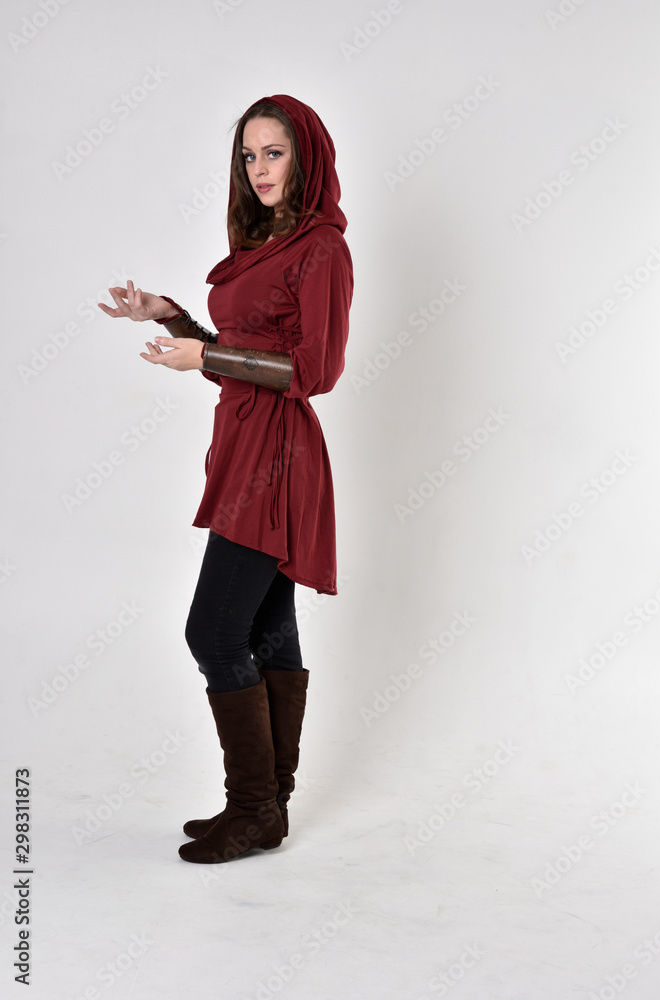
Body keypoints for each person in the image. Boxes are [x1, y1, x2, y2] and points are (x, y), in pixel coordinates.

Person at [98, 94, 353, 865]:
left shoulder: (322, 249)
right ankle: (262, 807)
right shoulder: (265, 242)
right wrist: (170, 317)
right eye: (248, 155)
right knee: (263, 630)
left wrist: (205, 357)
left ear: (305, 157)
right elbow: (240, 355)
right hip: (243, 447)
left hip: (278, 459)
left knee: (211, 631)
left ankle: (254, 808)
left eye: (273, 152)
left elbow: (316, 371)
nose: (259, 168)